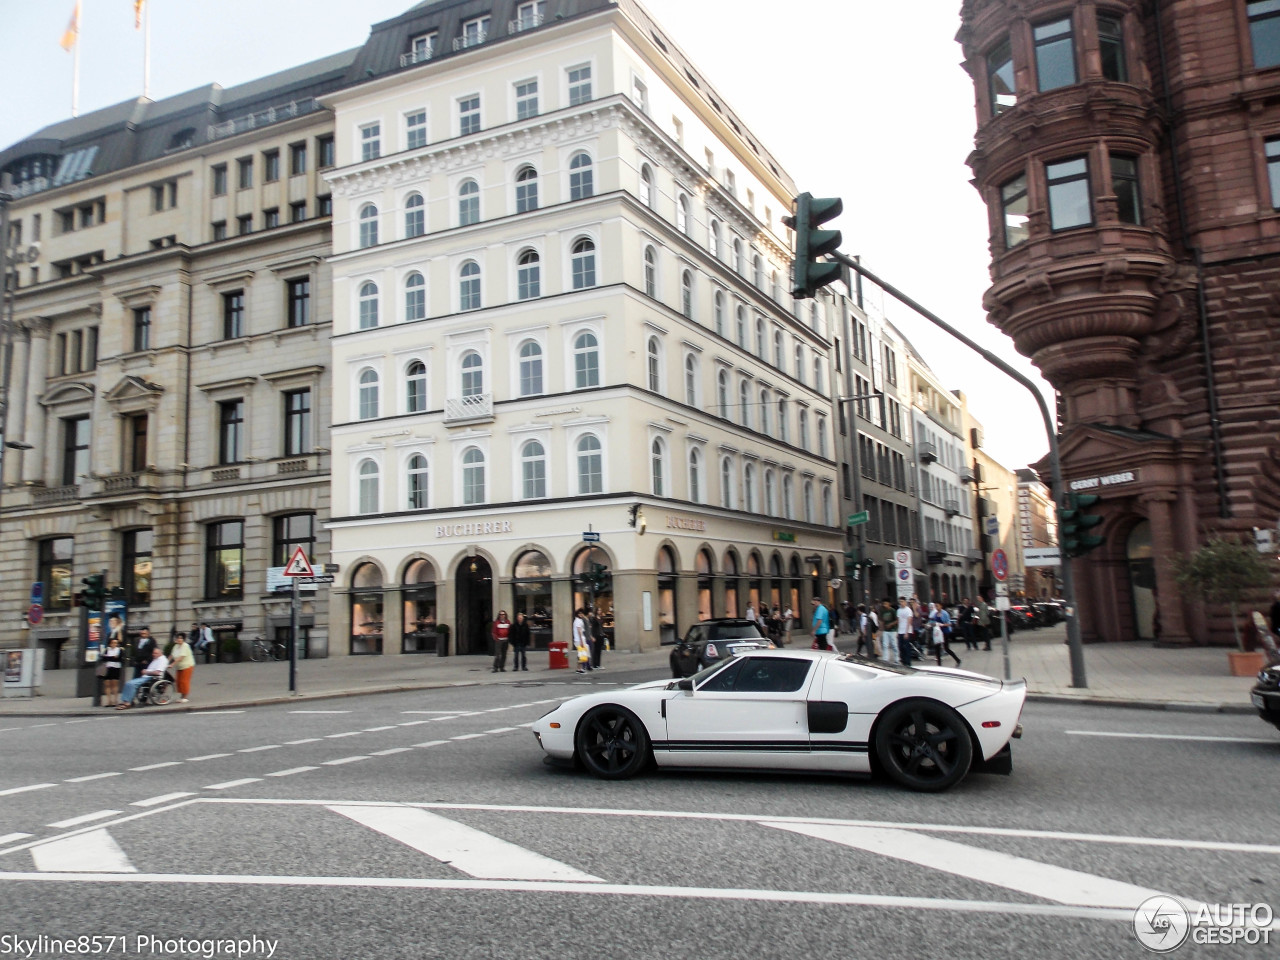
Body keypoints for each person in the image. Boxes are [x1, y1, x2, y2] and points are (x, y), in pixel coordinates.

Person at [117, 645, 169, 709]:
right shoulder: (156, 659)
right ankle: (126, 700)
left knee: (132, 684)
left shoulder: (162, 660)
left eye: (156, 653)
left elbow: (157, 672)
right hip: (147, 676)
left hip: (153, 677)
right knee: (128, 683)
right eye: (153, 653)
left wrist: (146, 672)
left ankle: (128, 702)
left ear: (161, 653)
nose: (153, 654)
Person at [168, 632, 195, 702]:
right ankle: (181, 696)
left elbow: (181, 657)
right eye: (178, 638)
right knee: (178, 681)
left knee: (184, 681)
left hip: (187, 666)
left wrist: (172, 664)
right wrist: (165, 662)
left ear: (183, 639)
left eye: (181, 638)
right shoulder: (175, 646)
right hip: (179, 667)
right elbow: (171, 655)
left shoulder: (185, 646)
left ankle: (185, 697)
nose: (179, 639)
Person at [99, 634, 124, 706]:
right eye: (113, 643)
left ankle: (115, 700)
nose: (114, 644)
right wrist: (113, 657)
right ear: (110, 643)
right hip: (107, 668)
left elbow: (119, 659)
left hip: (116, 667)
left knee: (114, 684)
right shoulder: (107, 649)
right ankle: (109, 701)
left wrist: (109, 657)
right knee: (107, 684)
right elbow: (104, 658)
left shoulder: (119, 650)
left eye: (116, 643)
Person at [572, 608, 592, 674]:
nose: (581, 614)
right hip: (579, 640)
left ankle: (579, 668)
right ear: (577, 614)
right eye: (579, 613)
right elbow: (579, 631)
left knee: (580, 654)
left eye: (582, 613)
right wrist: (581, 641)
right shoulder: (578, 621)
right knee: (581, 654)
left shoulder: (577, 620)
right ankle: (579, 669)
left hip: (579, 639)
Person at [896, 598, 915, 663]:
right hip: (900, 630)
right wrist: (897, 631)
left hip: (907, 631)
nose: (901, 603)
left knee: (906, 647)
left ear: (905, 602)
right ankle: (903, 660)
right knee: (900, 646)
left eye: (902, 601)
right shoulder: (899, 610)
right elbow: (898, 621)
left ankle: (908, 661)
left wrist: (906, 632)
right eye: (900, 602)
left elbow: (909, 621)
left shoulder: (908, 610)